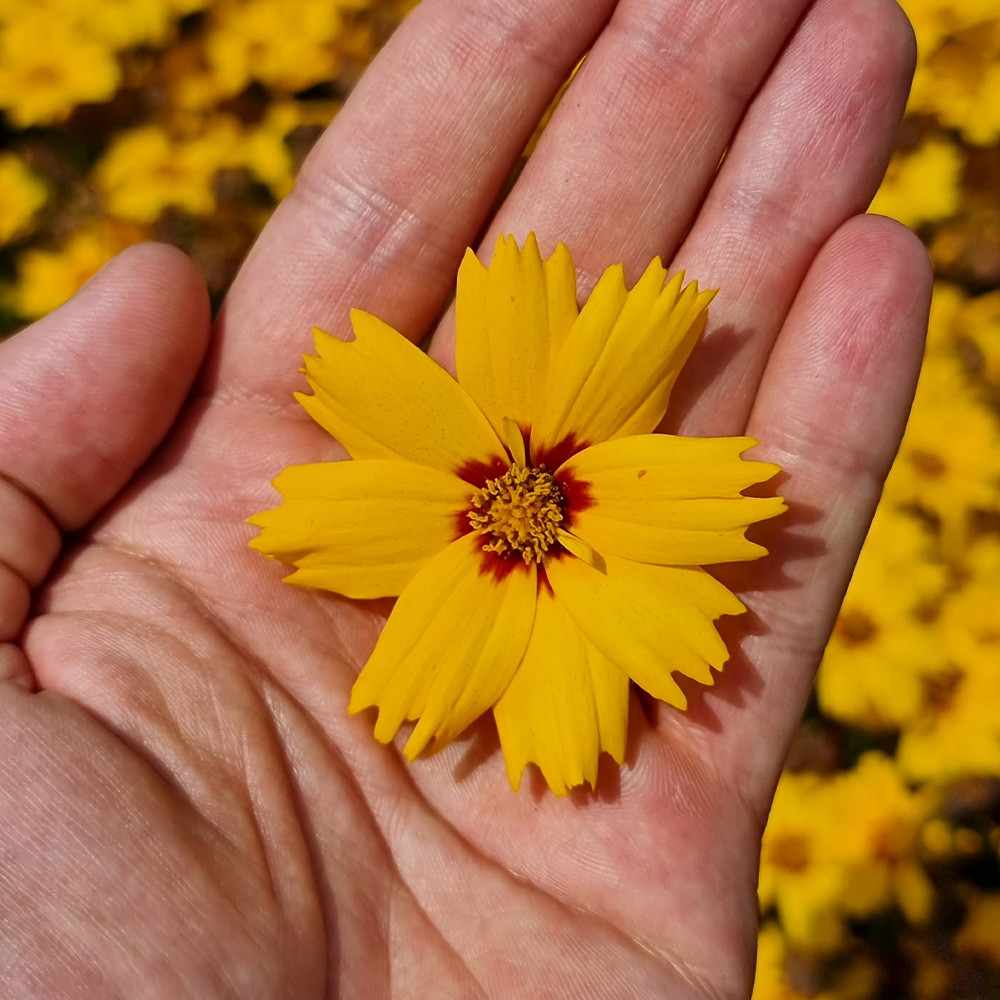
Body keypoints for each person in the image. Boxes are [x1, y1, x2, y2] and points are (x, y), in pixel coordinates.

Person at [0, 0, 930, 995]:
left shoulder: (549, 500)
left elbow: (669, 596)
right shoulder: (464, 515)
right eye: (511, 507)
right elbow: (386, 585)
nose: (518, 511)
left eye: (518, 505)